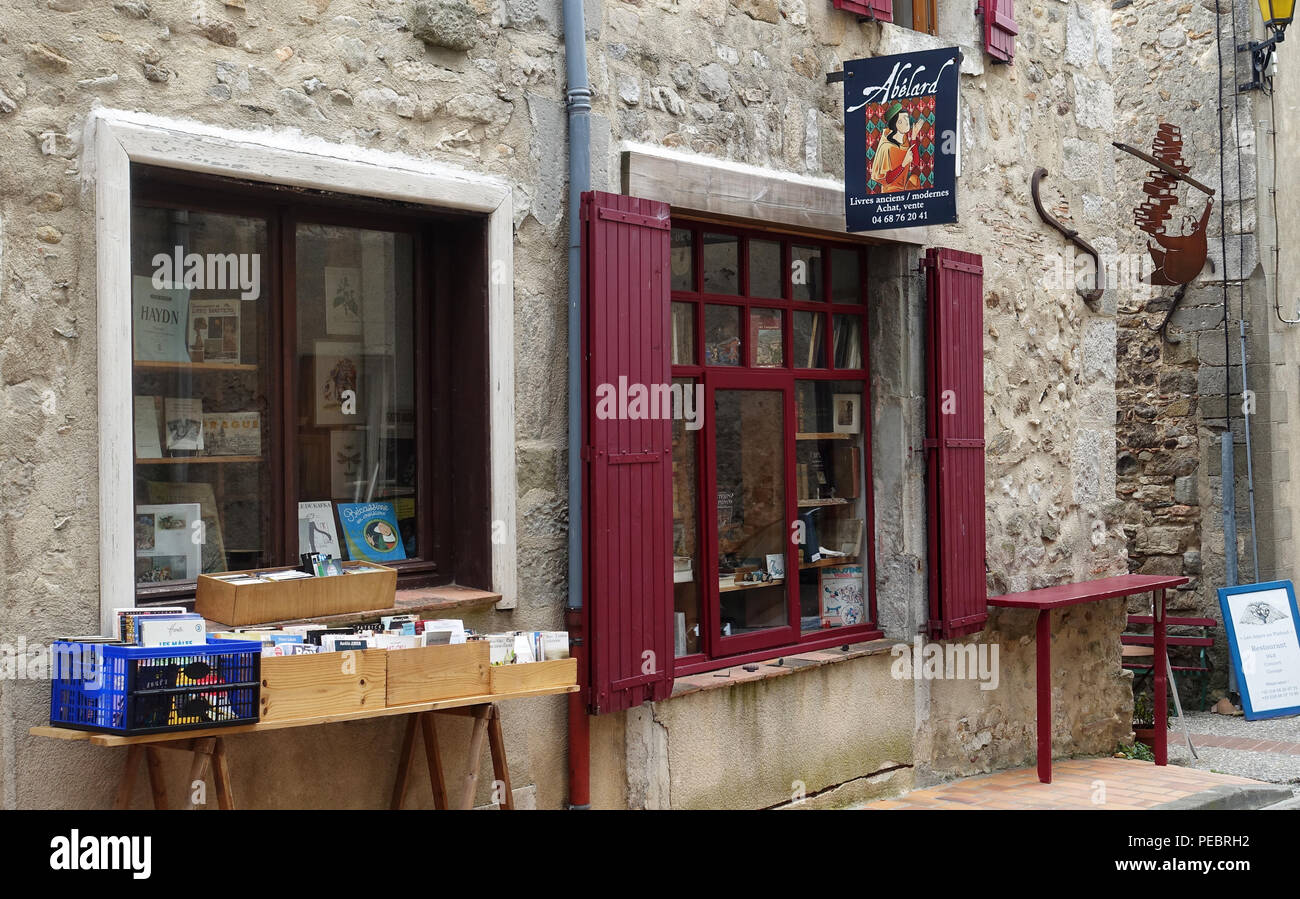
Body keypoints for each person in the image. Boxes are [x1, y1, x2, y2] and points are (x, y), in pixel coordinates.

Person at [870, 103, 924, 193]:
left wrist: (914, 136)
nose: (906, 122)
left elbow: (916, 162)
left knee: (915, 179)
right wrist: (904, 163)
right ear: (895, 124)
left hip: (902, 189)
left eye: (906, 117)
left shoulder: (904, 141)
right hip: (890, 192)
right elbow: (888, 179)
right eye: (901, 121)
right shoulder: (887, 147)